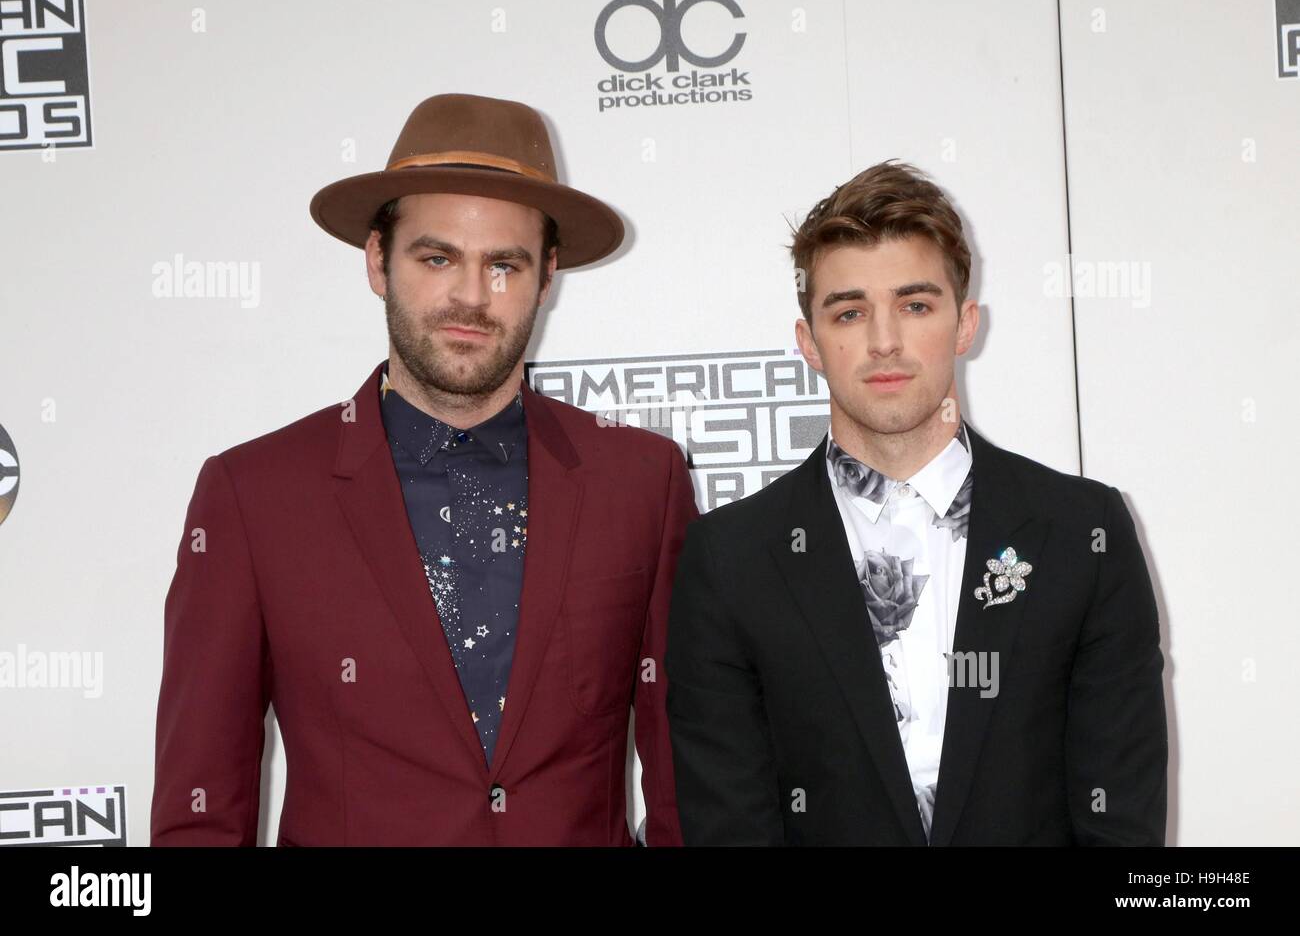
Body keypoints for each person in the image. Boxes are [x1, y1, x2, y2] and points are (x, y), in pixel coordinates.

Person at [151, 93, 696, 846]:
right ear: (378, 261)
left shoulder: (642, 482)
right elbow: (200, 816)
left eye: (503, 264)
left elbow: (687, 784)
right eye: (437, 257)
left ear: (547, 276)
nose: (471, 297)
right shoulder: (253, 497)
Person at [666, 160, 1167, 845]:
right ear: (809, 343)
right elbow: (729, 825)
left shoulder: (1084, 533)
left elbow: (1121, 820)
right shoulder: (730, 560)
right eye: (850, 312)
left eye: (916, 304)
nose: (884, 342)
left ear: (965, 324)